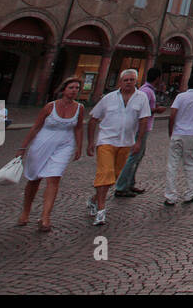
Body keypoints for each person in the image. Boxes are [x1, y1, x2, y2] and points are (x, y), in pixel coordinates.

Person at [16, 78, 85, 232]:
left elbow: (79, 128)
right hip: (42, 143)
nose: (74, 90)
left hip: (65, 145)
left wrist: (79, 146)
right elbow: (35, 127)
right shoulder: (50, 107)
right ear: (63, 89)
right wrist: (23, 147)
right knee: (34, 179)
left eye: (77, 88)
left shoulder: (80, 108)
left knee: (54, 177)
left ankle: (45, 216)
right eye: (71, 87)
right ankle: (26, 211)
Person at [86, 69, 151, 226]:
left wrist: (138, 141)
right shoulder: (108, 98)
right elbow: (93, 119)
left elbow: (143, 120)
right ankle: (101, 211)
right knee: (105, 173)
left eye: (132, 79)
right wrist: (90, 142)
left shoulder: (141, 98)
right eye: (126, 80)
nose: (128, 82)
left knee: (113, 176)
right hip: (106, 141)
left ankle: (94, 199)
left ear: (136, 81)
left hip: (126, 142)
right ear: (120, 82)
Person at [114, 66, 164, 197]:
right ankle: (121, 186)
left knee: (137, 157)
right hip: (140, 128)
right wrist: (156, 110)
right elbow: (141, 110)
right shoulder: (146, 91)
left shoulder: (146, 90)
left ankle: (130, 183)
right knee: (133, 157)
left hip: (143, 127)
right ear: (158, 78)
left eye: (132, 80)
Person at [165, 75, 193, 205]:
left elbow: (172, 115)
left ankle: (170, 196)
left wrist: (171, 132)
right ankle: (189, 195)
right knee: (190, 164)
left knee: (172, 165)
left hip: (177, 133)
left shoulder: (180, 97)